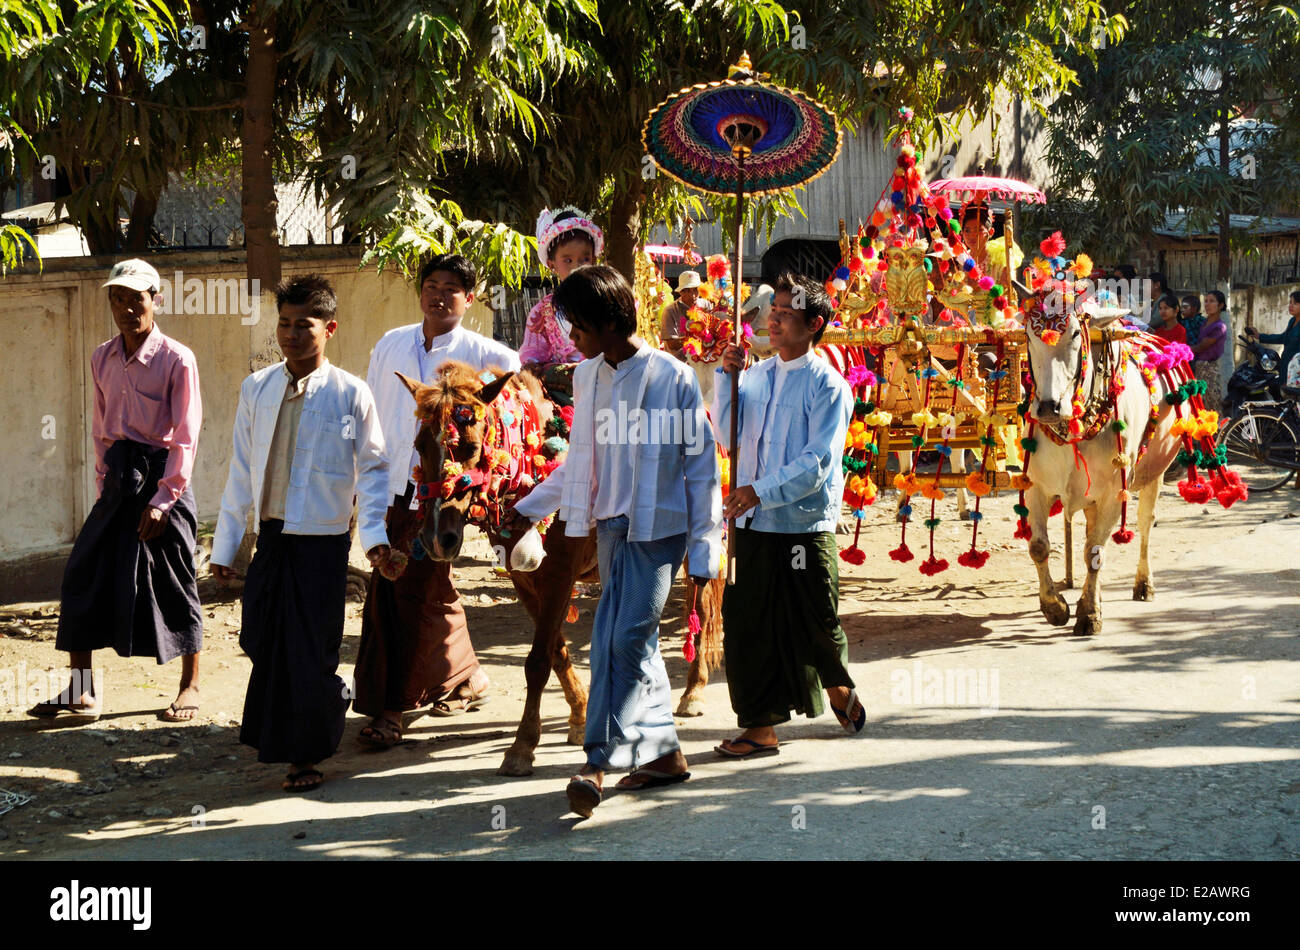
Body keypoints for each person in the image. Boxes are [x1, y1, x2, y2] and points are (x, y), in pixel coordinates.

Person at [504, 264, 722, 818]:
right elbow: (580, 462)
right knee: (632, 642)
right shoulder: (586, 376)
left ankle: (596, 762)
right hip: (609, 531)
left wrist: (705, 551)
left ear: (606, 321)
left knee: (620, 637)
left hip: (660, 533)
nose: (570, 336)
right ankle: (665, 756)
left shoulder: (672, 376)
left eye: (576, 324)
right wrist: (527, 509)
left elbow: (700, 468)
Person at [211, 275, 391, 792]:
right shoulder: (258, 388)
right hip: (272, 540)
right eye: (284, 324)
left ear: (328, 328)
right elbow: (241, 471)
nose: (290, 335)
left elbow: (374, 470)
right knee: (260, 638)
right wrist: (227, 547)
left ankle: (305, 756)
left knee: (310, 651)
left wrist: (374, 538)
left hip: (323, 542)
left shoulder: (351, 395)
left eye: (303, 325)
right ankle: (323, 706)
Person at [354, 254, 520, 748]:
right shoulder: (390, 345)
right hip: (390, 485)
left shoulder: (494, 358)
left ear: (469, 299)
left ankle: (392, 707)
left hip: (448, 499)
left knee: (403, 587)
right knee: (423, 585)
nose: (439, 294)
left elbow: (505, 431)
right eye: (431, 284)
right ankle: (466, 674)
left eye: (452, 287)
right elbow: (369, 410)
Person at [28, 258, 203, 724]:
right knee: (83, 573)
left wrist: (165, 500)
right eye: (118, 298)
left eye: (137, 299)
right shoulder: (101, 356)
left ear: (156, 300)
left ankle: (191, 684)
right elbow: (102, 430)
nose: (127, 308)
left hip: (164, 474)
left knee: (175, 577)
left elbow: (186, 435)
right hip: (120, 478)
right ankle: (82, 691)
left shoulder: (177, 359)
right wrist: (105, 486)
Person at [708, 273, 859, 758]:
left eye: (785, 313)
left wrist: (760, 491)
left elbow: (817, 463)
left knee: (816, 621)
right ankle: (759, 727)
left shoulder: (828, 386)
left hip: (801, 526)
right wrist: (725, 379)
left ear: (813, 324)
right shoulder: (753, 376)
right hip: (752, 526)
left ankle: (836, 683)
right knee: (747, 622)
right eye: (773, 310)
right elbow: (727, 435)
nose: (771, 319)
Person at [518, 206, 602, 371]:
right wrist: (532, 364)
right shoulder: (542, 312)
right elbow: (533, 351)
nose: (577, 266)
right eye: (568, 260)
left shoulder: (605, 301)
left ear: (593, 259)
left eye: (584, 258)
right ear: (552, 264)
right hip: (560, 390)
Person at [1247, 290, 1300, 392]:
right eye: (1290, 302)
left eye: (1295, 303)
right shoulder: (1292, 321)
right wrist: (1260, 336)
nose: (1291, 306)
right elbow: (1282, 338)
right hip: (1286, 364)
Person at [1191, 290, 1229, 412]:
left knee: (1211, 404)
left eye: (1212, 301)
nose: (1207, 304)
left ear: (1221, 305)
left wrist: (1182, 349)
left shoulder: (1219, 327)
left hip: (1209, 369)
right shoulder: (1205, 322)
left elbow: (1201, 347)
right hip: (1199, 367)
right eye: (1206, 301)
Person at [660, 269, 709, 359]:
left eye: (695, 290)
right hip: (677, 363)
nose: (693, 295)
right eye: (687, 291)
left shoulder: (706, 305)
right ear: (681, 292)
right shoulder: (670, 311)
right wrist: (693, 335)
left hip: (702, 362)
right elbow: (672, 344)